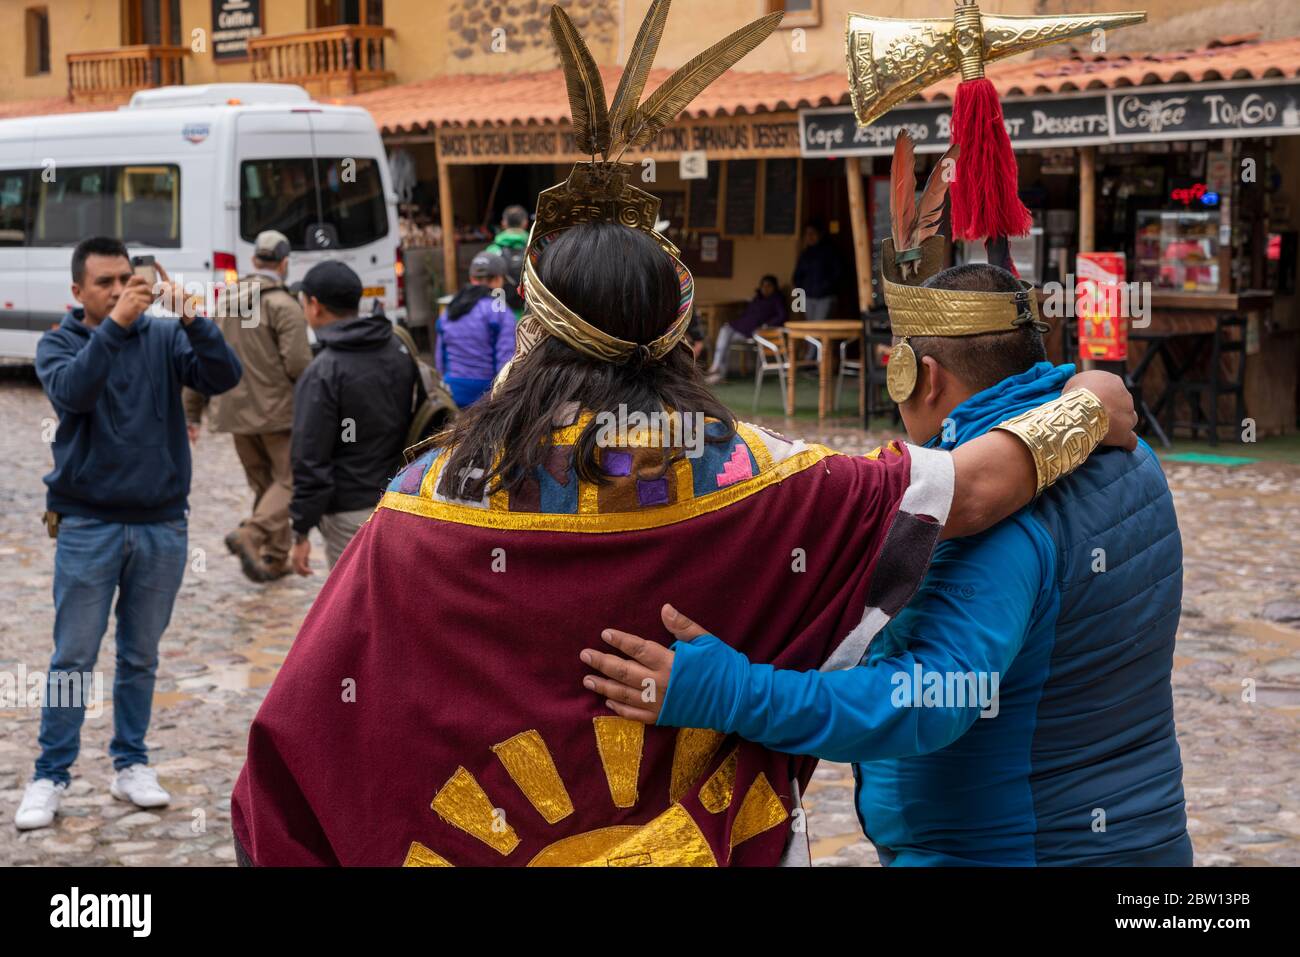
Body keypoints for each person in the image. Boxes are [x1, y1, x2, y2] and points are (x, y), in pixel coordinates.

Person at [229, 2, 1136, 867]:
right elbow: (969, 491)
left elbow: (297, 747)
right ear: (679, 339)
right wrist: (1091, 403)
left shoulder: (422, 506)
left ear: (531, 332)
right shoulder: (762, 477)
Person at [579, 136, 1190, 867]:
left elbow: (922, 702)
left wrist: (724, 691)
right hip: (1146, 840)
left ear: (917, 376)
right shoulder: (1126, 447)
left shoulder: (986, 515)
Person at [17, 236, 242, 830]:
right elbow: (72, 393)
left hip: (162, 522)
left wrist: (192, 316)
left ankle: (131, 763)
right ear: (77, 292)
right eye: (104, 283)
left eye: (125, 279)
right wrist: (114, 326)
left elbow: (224, 376)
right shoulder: (58, 343)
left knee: (140, 657)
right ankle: (51, 773)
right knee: (72, 658)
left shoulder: (163, 337)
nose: (118, 291)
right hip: (87, 522)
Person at [184, 230, 312, 583]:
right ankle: (252, 535)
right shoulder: (284, 306)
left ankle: (273, 556)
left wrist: (191, 412)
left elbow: (201, 355)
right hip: (277, 413)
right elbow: (299, 364)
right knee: (291, 482)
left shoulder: (224, 301)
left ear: (254, 260)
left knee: (265, 486)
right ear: (284, 264)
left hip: (234, 411)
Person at [288, 260, 417, 574]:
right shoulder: (397, 349)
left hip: (349, 510)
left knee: (357, 608)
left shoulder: (325, 370)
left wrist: (301, 529)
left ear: (314, 305)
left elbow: (310, 457)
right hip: (400, 498)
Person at [434, 252, 517, 408]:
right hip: (485, 394)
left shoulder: (451, 309)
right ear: (498, 279)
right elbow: (506, 361)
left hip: (452, 392)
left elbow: (440, 358)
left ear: (472, 279)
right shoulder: (500, 311)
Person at [705, 274, 787, 384]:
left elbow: (782, 316)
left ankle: (718, 372)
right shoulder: (757, 298)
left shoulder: (777, 299)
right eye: (763, 286)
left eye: (768, 286)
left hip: (754, 331)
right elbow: (747, 313)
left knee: (725, 340)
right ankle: (717, 370)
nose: (765, 288)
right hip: (740, 326)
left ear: (774, 287)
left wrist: (767, 325)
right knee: (724, 331)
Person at [483, 204, 530, 315]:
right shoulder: (536, 248)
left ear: (504, 223)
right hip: (529, 317)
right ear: (525, 223)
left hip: (499, 314)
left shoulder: (492, 251)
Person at [792, 221, 842, 322]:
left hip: (825, 297)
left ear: (820, 234)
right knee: (810, 327)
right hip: (808, 297)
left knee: (820, 325)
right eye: (807, 234)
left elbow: (838, 273)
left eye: (812, 233)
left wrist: (826, 287)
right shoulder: (805, 254)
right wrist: (802, 288)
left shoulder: (830, 251)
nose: (810, 236)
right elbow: (797, 275)